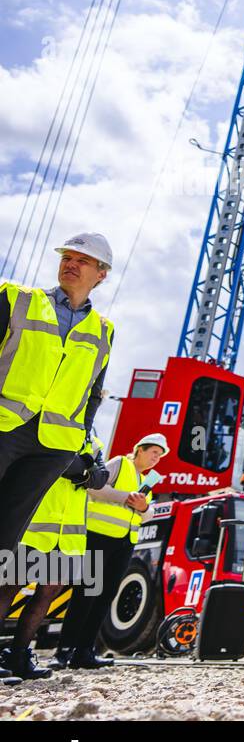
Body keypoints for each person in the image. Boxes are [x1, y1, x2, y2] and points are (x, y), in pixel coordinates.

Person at [0, 233, 115, 554]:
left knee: (6, 535)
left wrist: (77, 441)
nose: (71, 265)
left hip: (53, 446)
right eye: (66, 258)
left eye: (82, 261)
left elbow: (93, 393)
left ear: (101, 274)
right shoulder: (18, 299)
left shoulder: (104, 330)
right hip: (5, 424)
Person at [52, 433, 164, 670]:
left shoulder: (146, 482)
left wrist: (144, 507)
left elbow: (147, 513)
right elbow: (95, 488)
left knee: (105, 596)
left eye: (160, 455)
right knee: (86, 593)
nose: (157, 458)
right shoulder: (119, 464)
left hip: (124, 543)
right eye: (154, 452)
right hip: (98, 537)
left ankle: (85, 651)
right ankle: (64, 650)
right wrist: (126, 498)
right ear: (140, 449)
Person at [0, 438, 101, 682]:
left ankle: (19, 656)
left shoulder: (92, 443)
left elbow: (100, 479)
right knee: (8, 589)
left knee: (48, 593)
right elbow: (65, 464)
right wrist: (84, 467)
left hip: (65, 536)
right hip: (34, 528)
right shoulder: (51, 435)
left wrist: (84, 469)